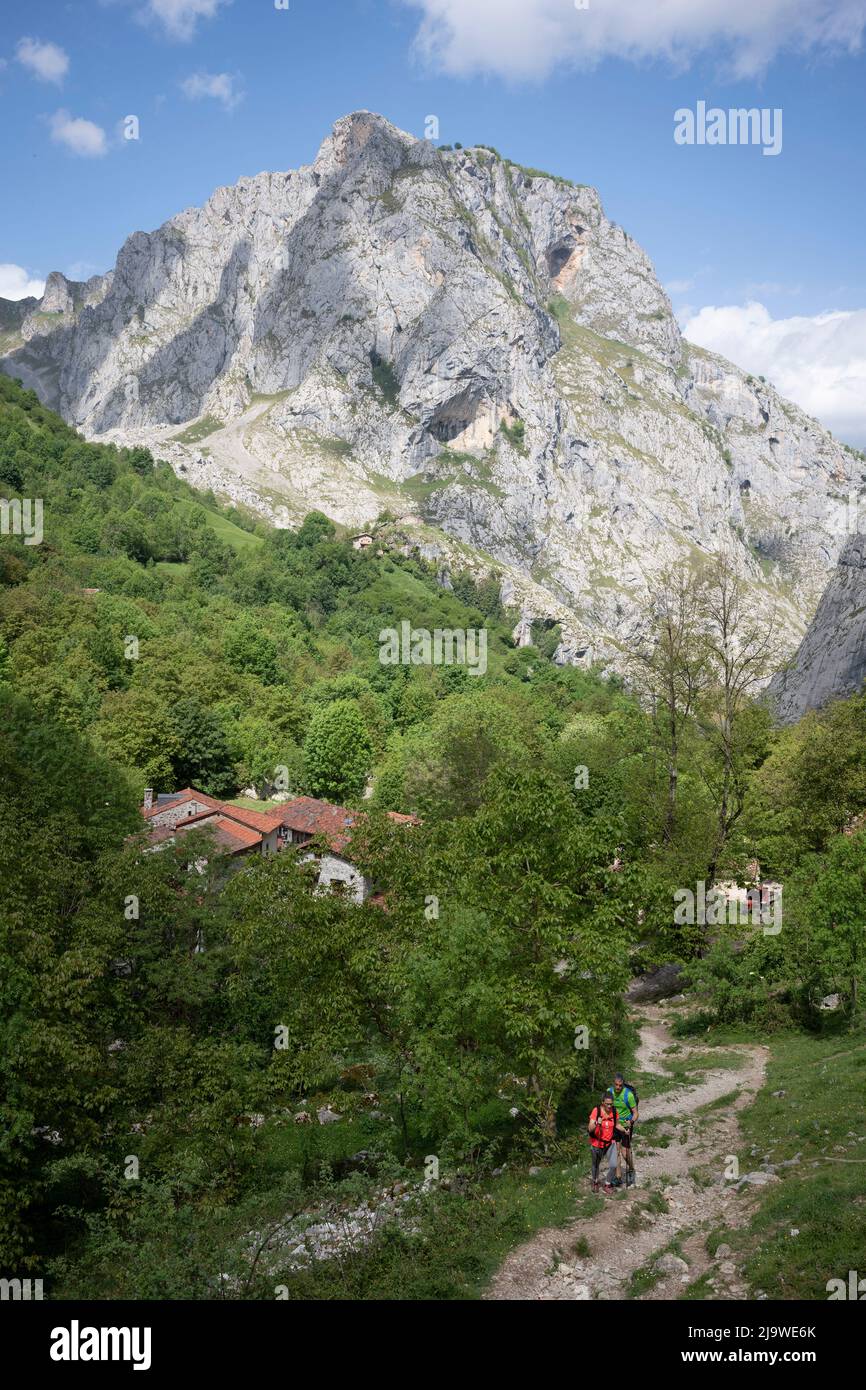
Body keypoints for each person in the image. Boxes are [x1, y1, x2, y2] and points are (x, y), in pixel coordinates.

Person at [606, 1072, 639, 1188]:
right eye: (616, 1085)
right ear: (613, 1084)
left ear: (623, 1084)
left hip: (626, 1124)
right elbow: (606, 1108)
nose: (618, 1087)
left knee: (625, 1152)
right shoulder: (609, 1092)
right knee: (616, 1151)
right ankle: (618, 1177)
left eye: (620, 1085)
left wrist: (631, 1122)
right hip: (615, 1124)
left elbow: (635, 1113)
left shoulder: (628, 1095)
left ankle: (631, 1169)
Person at [587, 1092, 617, 1194]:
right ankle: (595, 1182)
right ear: (602, 1102)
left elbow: (617, 1125)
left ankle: (607, 1184)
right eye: (607, 1104)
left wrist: (625, 1129)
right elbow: (590, 1128)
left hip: (610, 1143)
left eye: (611, 1104)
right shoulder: (596, 1111)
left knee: (613, 1165)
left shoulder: (614, 1111)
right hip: (597, 1143)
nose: (609, 1106)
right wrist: (596, 1123)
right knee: (596, 1164)